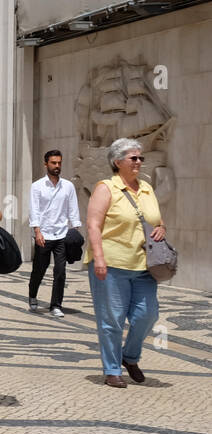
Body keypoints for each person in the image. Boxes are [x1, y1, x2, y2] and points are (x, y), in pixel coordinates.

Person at [84, 138, 165, 388]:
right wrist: (98, 257)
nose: (139, 162)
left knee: (148, 314)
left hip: (144, 266)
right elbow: (93, 225)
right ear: (117, 161)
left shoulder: (147, 189)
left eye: (141, 157)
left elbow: (156, 221)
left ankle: (129, 357)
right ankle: (111, 369)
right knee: (112, 319)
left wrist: (161, 229)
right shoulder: (106, 188)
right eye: (134, 158)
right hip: (112, 263)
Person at [28, 149, 82, 318]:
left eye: (59, 163)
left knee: (60, 270)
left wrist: (75, 229)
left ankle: (56, 305)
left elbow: (73, 209)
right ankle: (32, 295)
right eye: (53, 163)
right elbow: (34, 210)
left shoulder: (68, 186)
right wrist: (37, 231)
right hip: (43, 234)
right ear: (46, 164)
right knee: (39, 269)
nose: (57, 166)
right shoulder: (36, 186)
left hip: (62, 235)